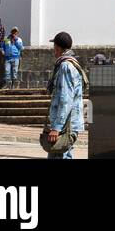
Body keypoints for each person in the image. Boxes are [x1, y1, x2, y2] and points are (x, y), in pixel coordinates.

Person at [44, 31, 84, 159]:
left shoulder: (65, 66)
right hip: (69, 123)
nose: (53, 50)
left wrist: (57, 127)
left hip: (66, 125)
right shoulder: (72, 63)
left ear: (58, 47)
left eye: (54, 46)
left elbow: (65, 98)